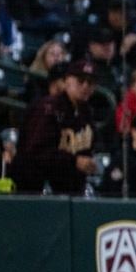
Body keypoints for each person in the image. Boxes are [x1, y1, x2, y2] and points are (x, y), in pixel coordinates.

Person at [11, 60, 97, 194]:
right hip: (36, 188)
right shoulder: (48, 108)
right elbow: (36, 152)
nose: (85, 86)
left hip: (67, 189)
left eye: (90, 83)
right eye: (81, 81)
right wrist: (74, 161)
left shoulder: (86, 111)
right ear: (67, 81)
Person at [25, 38, 68, 104]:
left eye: (60, 54)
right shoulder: (35, 77)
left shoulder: (67, 78)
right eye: (52, 54)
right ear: (44, 56)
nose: (56, 57)